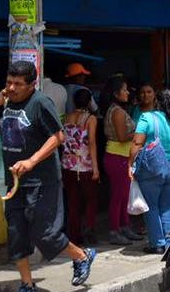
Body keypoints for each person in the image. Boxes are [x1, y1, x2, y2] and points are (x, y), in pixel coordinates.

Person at [0, 62, 96, 292]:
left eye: (18, 84)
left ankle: (81, 256)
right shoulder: (6, 99)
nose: (12, 87)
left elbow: (58, 136)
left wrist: (31, 161)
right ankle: (27, 284)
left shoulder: (40, 103)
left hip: (42, 181)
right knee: (16, 234)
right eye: (9, 82)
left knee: (45, 234)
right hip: (14, 182)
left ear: (32, 84)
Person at [129, 89, 170, 254]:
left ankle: (157, 244)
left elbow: (137, 143)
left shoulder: (147, 117)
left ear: (156, 102)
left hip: (153, 167)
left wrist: (130, 165)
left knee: (151, 206)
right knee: (168, 206)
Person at [101, 77, 141, 245]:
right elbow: (122, 136)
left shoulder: (117, 110)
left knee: (124, 195)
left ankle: (124, 226)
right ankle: (114, 230)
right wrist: (140, 131)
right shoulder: (117, 112)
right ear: (116, 93)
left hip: (122, 157)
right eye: (124, 90)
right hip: (117, 157)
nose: (127, 92)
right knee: (118, 196)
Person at [61, 87, 100, 246]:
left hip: (68, 165)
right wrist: (96, 168)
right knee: (90, 200)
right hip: (84, 165)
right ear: (89, 102)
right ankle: (89, 231)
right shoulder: (90, 119)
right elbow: (91, 142)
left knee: (73, 202)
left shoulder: (67, 117)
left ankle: (74, 235)